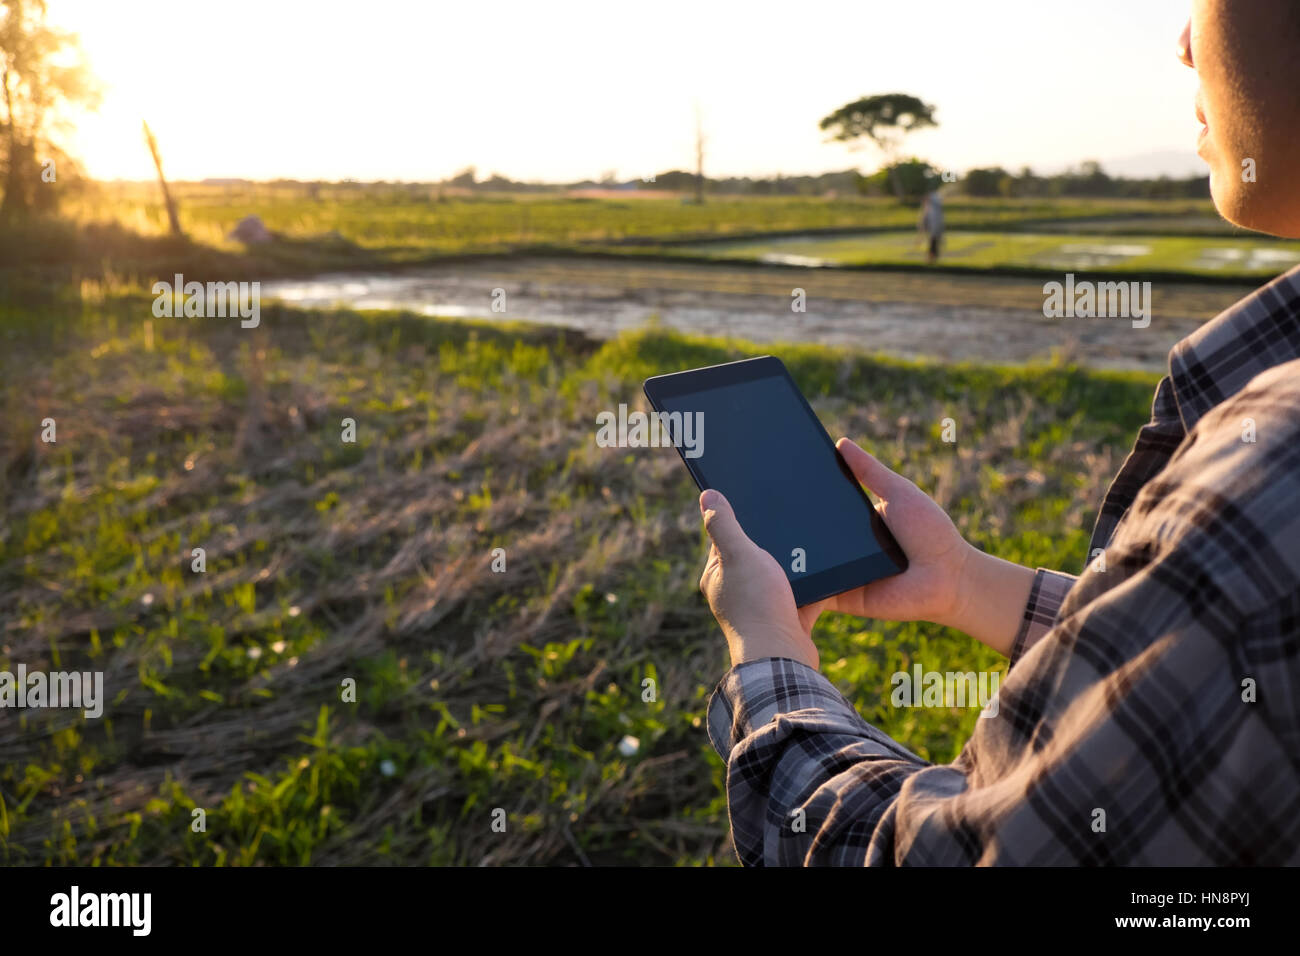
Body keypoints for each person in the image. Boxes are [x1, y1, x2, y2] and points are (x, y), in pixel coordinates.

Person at [696, 1, 1300, 866]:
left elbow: (948, 856)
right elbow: (1229, 654)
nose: (1182, 41)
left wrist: (769, 660)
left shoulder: (1277, 463)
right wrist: (969, 584)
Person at [918, 191, 944, 263]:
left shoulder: (933, 208)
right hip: (935, 229)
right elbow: (924, 221)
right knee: (933, 244)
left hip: (935, 230)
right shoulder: (932, 207)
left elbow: (926, 221)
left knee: (933, 244)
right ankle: (932, 258)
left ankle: (932, 258)